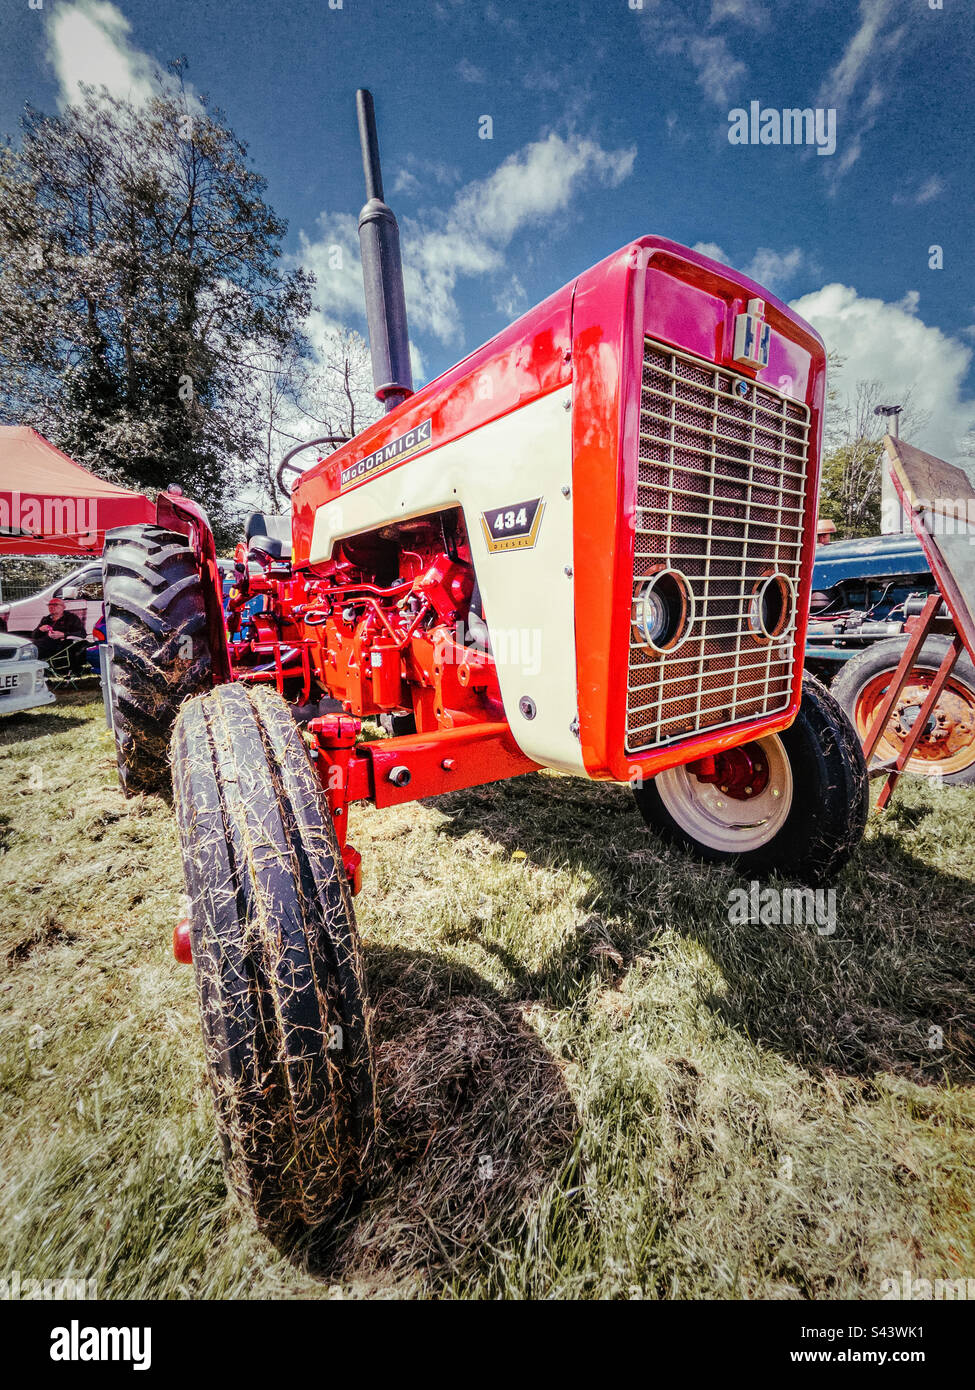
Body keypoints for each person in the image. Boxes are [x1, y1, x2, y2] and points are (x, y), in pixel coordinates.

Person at [31, 596, 86, 661]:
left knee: (33, 651)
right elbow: (34, 636)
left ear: (63, 607)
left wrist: (63, 634)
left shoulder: (71, 618)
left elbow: (82, 634)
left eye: (55, 605)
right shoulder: (46, 619)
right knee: (30, 647)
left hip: (60, 645)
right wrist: (40, 629)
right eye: (49, 605)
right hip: (43, 644)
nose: (51, 607)